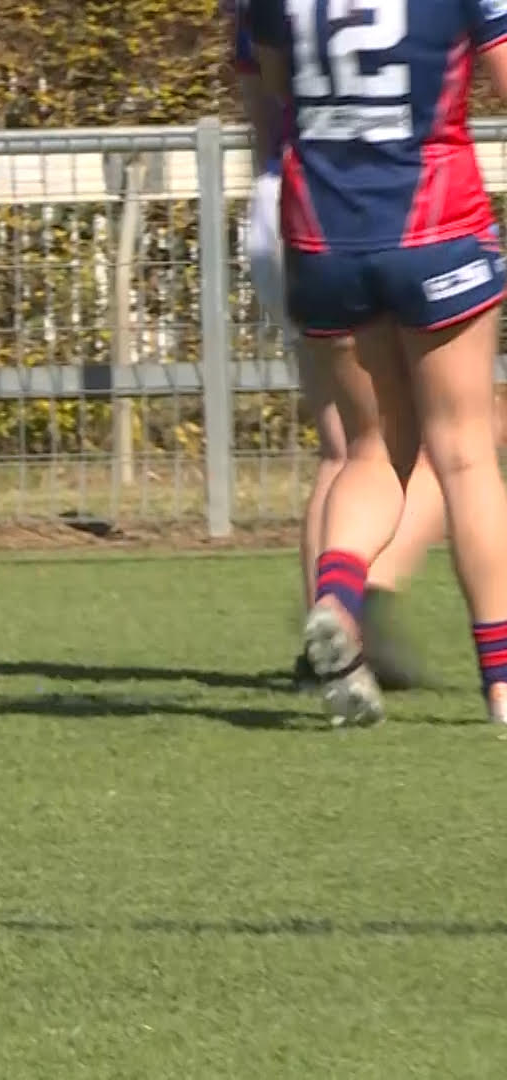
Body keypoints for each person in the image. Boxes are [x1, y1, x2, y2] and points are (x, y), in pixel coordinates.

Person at [247, 0, 507, 724]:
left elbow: (271, 86)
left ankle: (336, 596)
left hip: (323, 237)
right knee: (465, 454)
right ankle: (503, 684)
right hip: (435, 222)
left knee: (371, 449)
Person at [226, 0, 435, 691]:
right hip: (359, 205)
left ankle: (333, 631)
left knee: (346, 445)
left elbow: (265, 109)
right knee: (436, 438)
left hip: (282, 199)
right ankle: (358, 607)